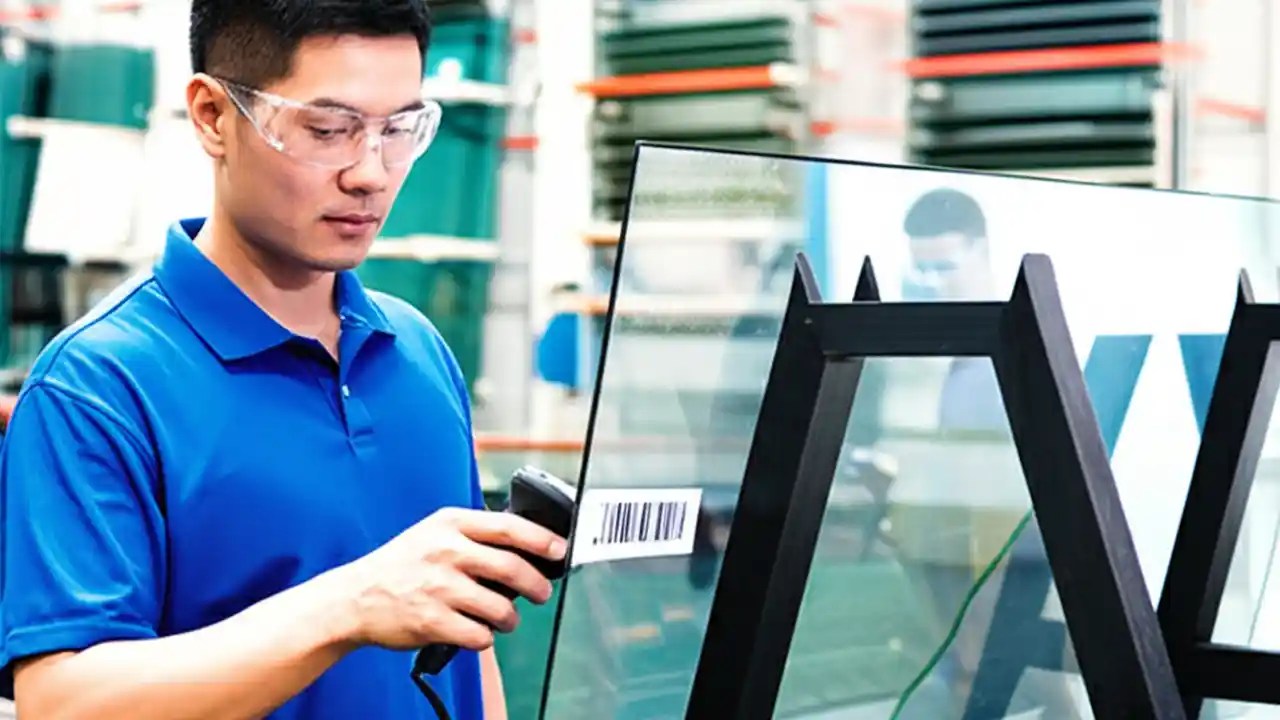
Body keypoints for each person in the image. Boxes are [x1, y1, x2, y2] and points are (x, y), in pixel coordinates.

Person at [0, 2, 566, 719]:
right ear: (212, 116)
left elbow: (466, 646)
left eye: (399, 130)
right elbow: (63, 703)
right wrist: (348, 605)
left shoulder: (418, 352)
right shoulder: (98, 387)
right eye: (328, 130)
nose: (372, 173)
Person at [901, 187, 1007, 433]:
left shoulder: (1019, 351)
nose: (934, 284)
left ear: (982, 249)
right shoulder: (936, 362)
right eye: (922, 270)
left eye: (944, 267)